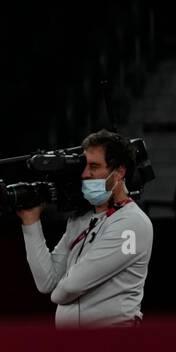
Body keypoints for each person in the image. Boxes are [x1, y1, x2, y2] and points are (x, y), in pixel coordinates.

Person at [20, 129, 153, 327]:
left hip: (114, 342)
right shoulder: (81, 219)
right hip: (74, 346)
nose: (84, 174)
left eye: (94, 166)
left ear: (119, 172)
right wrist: (31, 223)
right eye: (84, 165)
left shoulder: (132, 225)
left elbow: (69, 288)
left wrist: (60, 291)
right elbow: (46, 282)